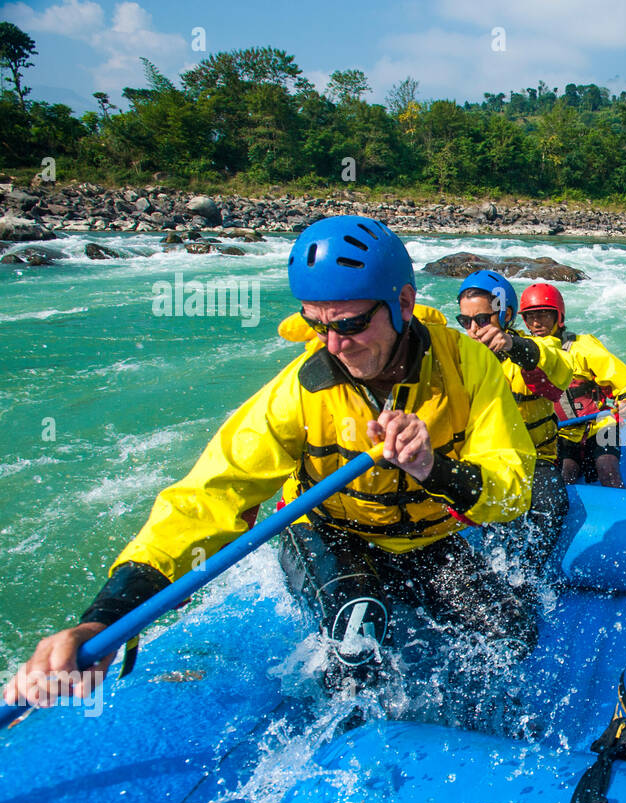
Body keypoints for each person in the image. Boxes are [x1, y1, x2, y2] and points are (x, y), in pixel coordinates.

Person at [4, 215, 537, 711]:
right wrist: (105, 617)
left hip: (422, 538)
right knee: (359, 636)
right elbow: (209, 496)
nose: (334, 345)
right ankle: (347, 735)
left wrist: (431, 467)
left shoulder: (469, 367)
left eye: (350, 324)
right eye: (317, 324)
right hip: (330, 531)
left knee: (514, 630)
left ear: (402, 301)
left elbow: (512, 491)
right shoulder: (299, 390)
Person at [455, 271, 574, 583]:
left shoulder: (533, 348)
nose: (473, 330)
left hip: (535, 457)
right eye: (465, 321)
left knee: (552, 505)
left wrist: (513, 346)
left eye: (482, 319)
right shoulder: (462, 357)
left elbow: (558, 366)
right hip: (488, 458)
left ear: (505, 315)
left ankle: (529, 578)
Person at [518, 282, 626, 488]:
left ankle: (625, 510)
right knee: (566, 475)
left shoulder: (582, 347)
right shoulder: (526, 355)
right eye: (531, 317)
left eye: (544, 315)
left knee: (607, 466)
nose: (537, 322)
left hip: (600, 424)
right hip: (564, 432)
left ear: (559, 317)